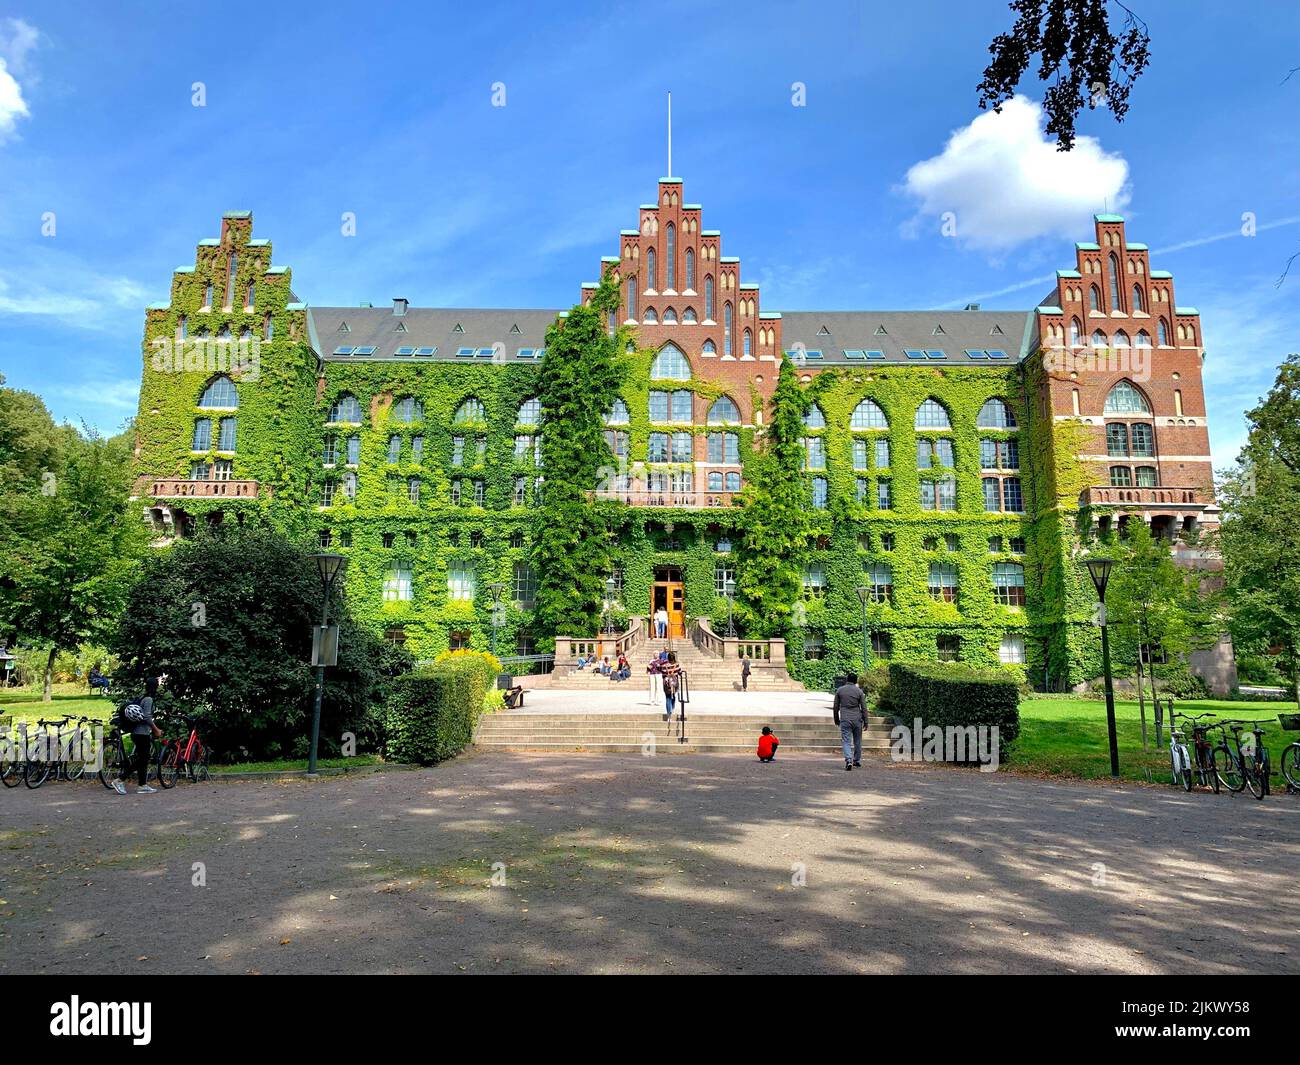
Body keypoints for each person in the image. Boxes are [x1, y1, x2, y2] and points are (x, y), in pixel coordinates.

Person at [113, 676, 164, 795]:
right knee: (142, 759)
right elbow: (146, 717)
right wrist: (156, 729)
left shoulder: (142, 697)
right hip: (141, 733)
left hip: (138, 733)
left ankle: (142, 785)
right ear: (155, 687)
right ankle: (120, 779)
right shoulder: (148, 699)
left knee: (143, 759)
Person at [832, 672, 868, 771]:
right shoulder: (859, 692)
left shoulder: (840, 690)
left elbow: (835, 707)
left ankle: (848, 759)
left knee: (846, 740)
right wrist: (866, 721)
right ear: (856, 681)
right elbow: (864, 708)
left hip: (845, 718)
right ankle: (856, 760)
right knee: (857, 740)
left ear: (847, 680)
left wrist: (836, 719)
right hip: (857, 718)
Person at [661, 651, 681, 721]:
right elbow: (679, 672)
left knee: (667, 698)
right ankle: (672, 708)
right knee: (673, 696)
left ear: (668, 658)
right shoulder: (677, 665)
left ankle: (668, 715)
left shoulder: (664, 666)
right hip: (674, 684)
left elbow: (663, 675)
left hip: (667, 684)